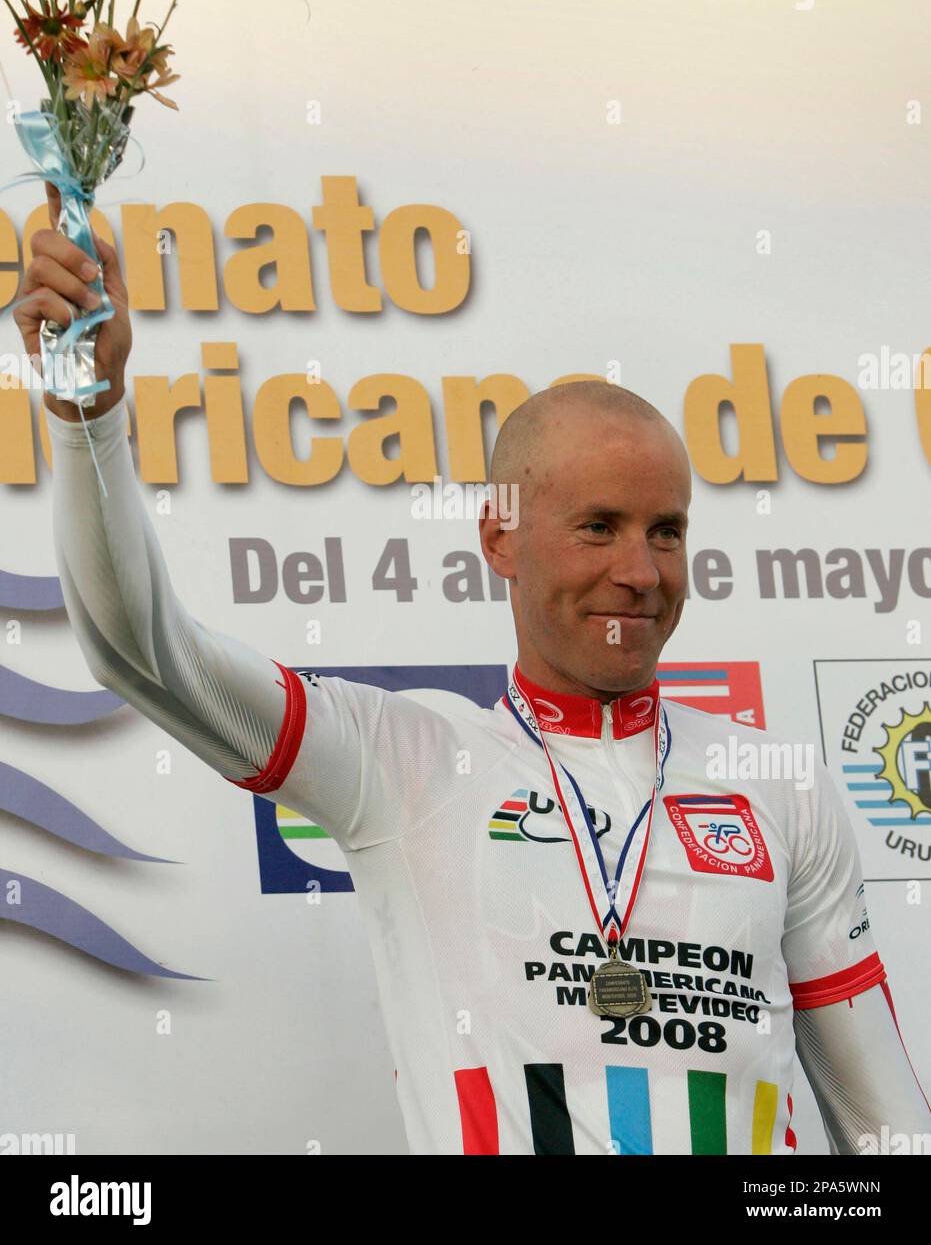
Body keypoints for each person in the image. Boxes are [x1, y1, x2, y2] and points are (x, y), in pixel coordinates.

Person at [13, 187, 931, 1156]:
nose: (640, 571)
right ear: (500, 533)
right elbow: (142, 651)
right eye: (597, 528)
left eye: (666, 532)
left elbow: (888, 1131)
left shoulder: (776, 785)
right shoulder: (401, 758)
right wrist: (88, 413)